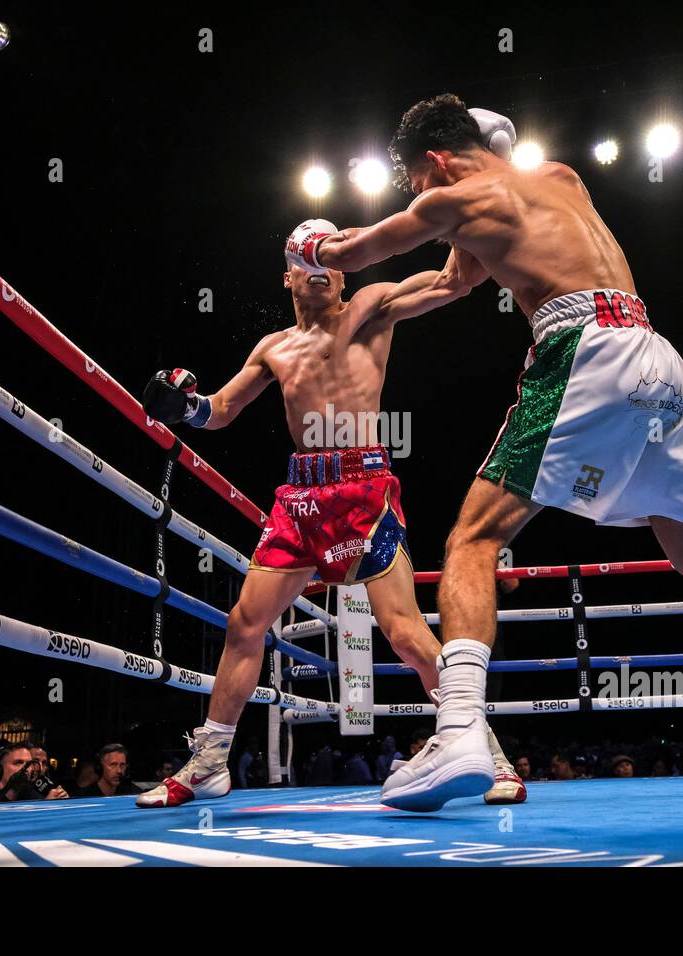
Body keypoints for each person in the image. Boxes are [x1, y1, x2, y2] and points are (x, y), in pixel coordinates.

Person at [305, 94, 683, 808]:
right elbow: (457, 277)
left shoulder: (456, 196)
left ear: (439, 160)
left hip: (584, 353)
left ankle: (458, 732)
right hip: (658, 361)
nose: (423, 194)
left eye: (420, 181)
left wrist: (310, 247)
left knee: (473, 539)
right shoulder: (563, 179)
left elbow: (359, 251)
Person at [135, 224, 523, 809]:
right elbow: (219, 411)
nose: (319, 270)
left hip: (363, 489)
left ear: (342, 271)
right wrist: (183, 408)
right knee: (245, 624)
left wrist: (461, 215)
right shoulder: (272, 347)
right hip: (298, 499)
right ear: (288, 275)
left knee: (404, 631)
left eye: (330, 258)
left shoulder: (370, 310)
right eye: (304, 259)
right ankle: (211, 761)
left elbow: (453, 282)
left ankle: (485, 753)